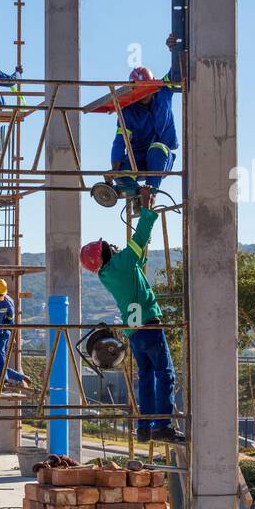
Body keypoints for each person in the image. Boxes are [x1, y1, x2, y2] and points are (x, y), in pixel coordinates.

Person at [79, 202, 182, 443]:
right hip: (148, 325)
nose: (113, 247)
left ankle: (145, 426)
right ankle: (163, 426)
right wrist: (147, 209)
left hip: (134, 330)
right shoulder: (122, 263)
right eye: (108, 247)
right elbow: (141, 236)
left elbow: (136, 260)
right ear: (104, 253)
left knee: (146, 376)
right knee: (165, 374)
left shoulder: (109, 273)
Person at [109, 34, 182, 207]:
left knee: (157, 148)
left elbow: (177, 73)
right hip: (139, 159)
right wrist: (114, 169)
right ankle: (137, 197)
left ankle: (150, 194)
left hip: (161, 157)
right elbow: (120, 141)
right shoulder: (127, 111)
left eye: (147, 88)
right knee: (122, 173)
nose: (145, 93)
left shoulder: (163, 91)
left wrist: (174, 49)